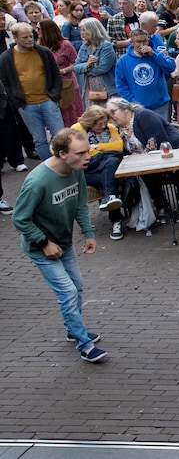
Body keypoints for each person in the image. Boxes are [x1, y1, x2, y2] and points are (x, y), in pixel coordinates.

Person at [12, 128, 107, 362]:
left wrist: (89, 232)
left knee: (77, 286)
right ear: (63, 154)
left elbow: (80, 204)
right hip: (41, 248)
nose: (87, 157)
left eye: (88, 152)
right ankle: (84, 345)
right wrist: (44, 243)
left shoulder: (76, 170)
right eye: (80, 153)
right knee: (67, 292)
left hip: (64, 242)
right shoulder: (37, 182)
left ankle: (72, 330)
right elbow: (19, 218)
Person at [0, 22, 64, 159]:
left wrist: (55, 95)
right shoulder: (6, 58)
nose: (30, 40)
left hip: (48, 100)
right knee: (39, 140)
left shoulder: (43, 52)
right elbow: (5, 83)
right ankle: (49, 169)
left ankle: (65, 165)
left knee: (60, 135)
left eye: (31, 36)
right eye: (25, 37)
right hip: (26, 105)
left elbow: (56, 74)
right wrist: (16, 101)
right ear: (15, 38)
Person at [70, 106, 126, 239]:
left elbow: (119, 147)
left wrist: (99, 147)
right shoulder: (77, 129)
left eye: (104, 122)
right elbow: (83, 153)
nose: (103, 126)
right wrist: (106, 150)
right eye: (99, 124)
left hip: (105, 170)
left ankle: (114, 213)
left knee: (110, 166)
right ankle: (114, 213)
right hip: (86, 170)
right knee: (112, 161)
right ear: (90, 122)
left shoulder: (110, 128)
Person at [114, 28, 175, 121]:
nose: (142, 44)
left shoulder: (156, 54)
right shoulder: (123, 60)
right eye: (138, 41)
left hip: (160, 105)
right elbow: (121, 85)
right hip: (138, 108)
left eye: (145, 41)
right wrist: (133, 102)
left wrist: (154, 55)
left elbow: (171, 67)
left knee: (162, 133)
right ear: (132, 42)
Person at [38, 20, 84, 128]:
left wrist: (61, 71)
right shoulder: (39, 45)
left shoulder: (65, 45)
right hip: (49, 85)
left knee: (70, 116)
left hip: (66, 85)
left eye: (39, 29)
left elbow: (76, 63)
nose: (37, 31)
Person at [74, 17, 117, 108]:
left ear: (92, 30)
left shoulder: (106, 46)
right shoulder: (84, 47)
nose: (81, 33)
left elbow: (103, 68)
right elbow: (76, 67)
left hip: (106, 88)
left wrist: (86, 70)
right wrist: (87, 64)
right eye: (81, 30)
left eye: (84, 30)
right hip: (89, 89)